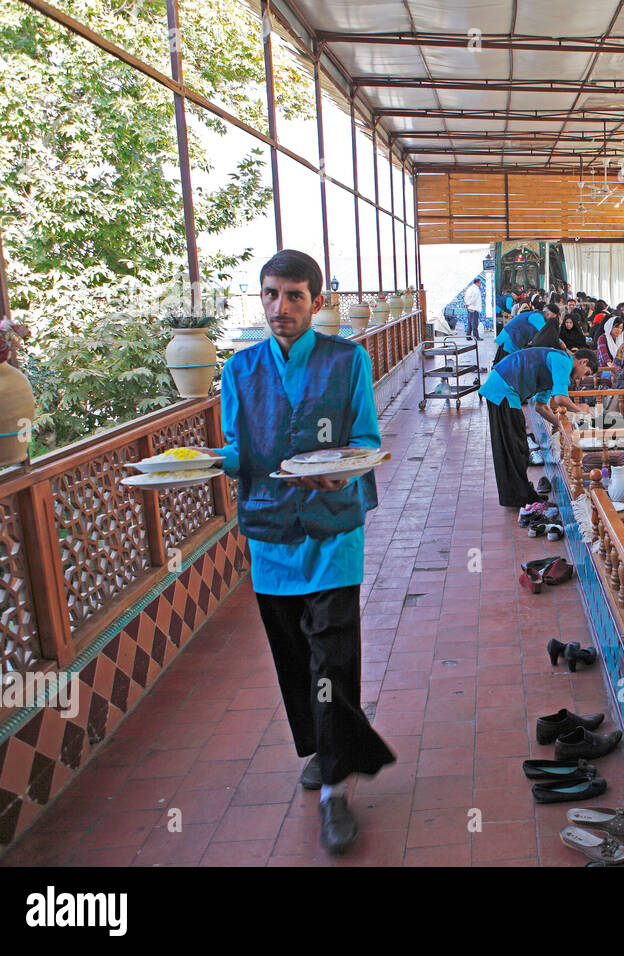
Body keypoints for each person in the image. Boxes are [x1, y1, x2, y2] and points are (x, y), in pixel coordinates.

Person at [213, 250, 395, 856]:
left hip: (333, 535)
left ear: (317, 303)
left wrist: (342, 473)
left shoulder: (348, 361)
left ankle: (334, 792)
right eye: (270, 294)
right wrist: (211, 464)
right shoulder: (239, 371)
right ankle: (325, 748)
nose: (280, 307)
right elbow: (239, 450)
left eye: (294, 296)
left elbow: (365, 439)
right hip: (269, 539)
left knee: (332, 661)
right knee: (296, 663)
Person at [481, 347, 595, 508]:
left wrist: (564, 426)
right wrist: (580, 409)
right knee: (514, 446)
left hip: (504, 390)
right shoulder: (563, 361)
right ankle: (520, 497)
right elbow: (561, 398)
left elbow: (541, 407)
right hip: (503, 390)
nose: (583, 378)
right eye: (586, 372)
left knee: (517, 446)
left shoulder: (555, 369)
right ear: (583, 362)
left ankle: (520, 494)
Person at [493, 301, 560, 363]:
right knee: (504, 364)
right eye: (552, 318)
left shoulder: (538, 316)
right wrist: (560, 342)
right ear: (548, 314)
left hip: (512, 338)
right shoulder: (537, 317)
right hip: (510, 338)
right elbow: (546, 332)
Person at [463, 277, 483, 341]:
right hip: (474, 308)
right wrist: (468, 304)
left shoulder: (470, 288)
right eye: (480, 283)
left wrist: (466, 304)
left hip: (470, 308)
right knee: (474, 323)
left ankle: (468, 336)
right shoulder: (475, 289)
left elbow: (466, 297)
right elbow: (474, 299)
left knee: (470, 322)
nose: (480, 284)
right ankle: (476, 337)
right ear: (477, 282)